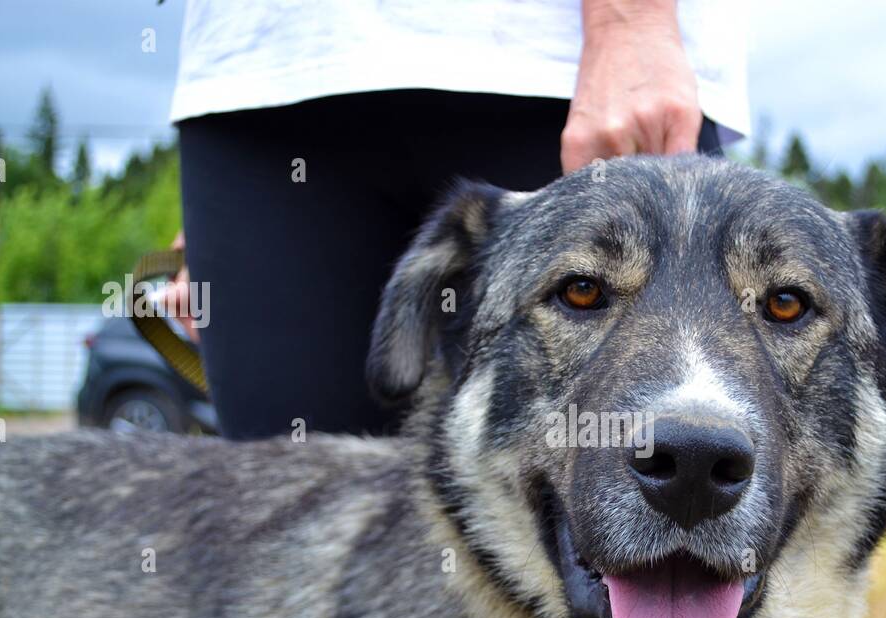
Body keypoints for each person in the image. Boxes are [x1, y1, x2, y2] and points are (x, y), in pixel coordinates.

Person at [164, 0, 750, 440]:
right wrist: (223, 233)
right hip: (261, 84)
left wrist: (630, 22)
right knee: (282, 531)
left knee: (637, 500)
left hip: (549, 68)